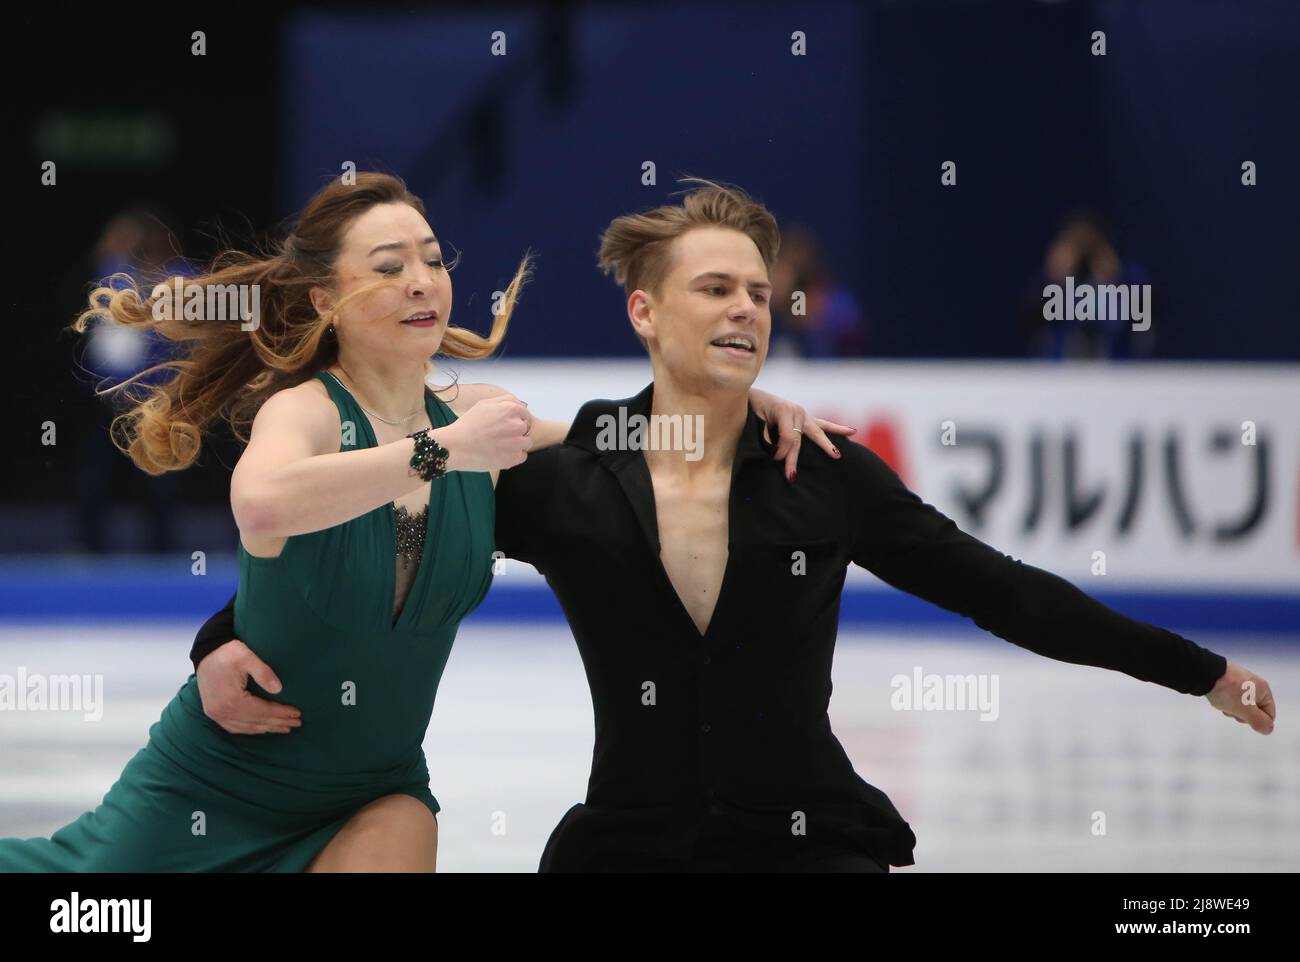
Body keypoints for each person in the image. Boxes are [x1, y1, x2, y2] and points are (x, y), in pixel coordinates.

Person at [186, 179, 1276, 873]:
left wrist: (1199, 669)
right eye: (716, 287)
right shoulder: (562, 476)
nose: (750, 309)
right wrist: (219, 640)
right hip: (630, 846)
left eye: (760, 291)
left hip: (811, 844)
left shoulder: (822, 470)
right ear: (644, 312)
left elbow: (1001, 588)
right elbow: (378, 542)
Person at [0, 171, 841, 873]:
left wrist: (738, 401)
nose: (422, 280)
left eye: (433, 261)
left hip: (377, 792)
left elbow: (627, 434)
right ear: (326, 297)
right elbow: (262, 503)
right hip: (215, 787)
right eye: (390, 264)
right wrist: (443, 451)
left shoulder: (476, 414)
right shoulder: (312, 412)